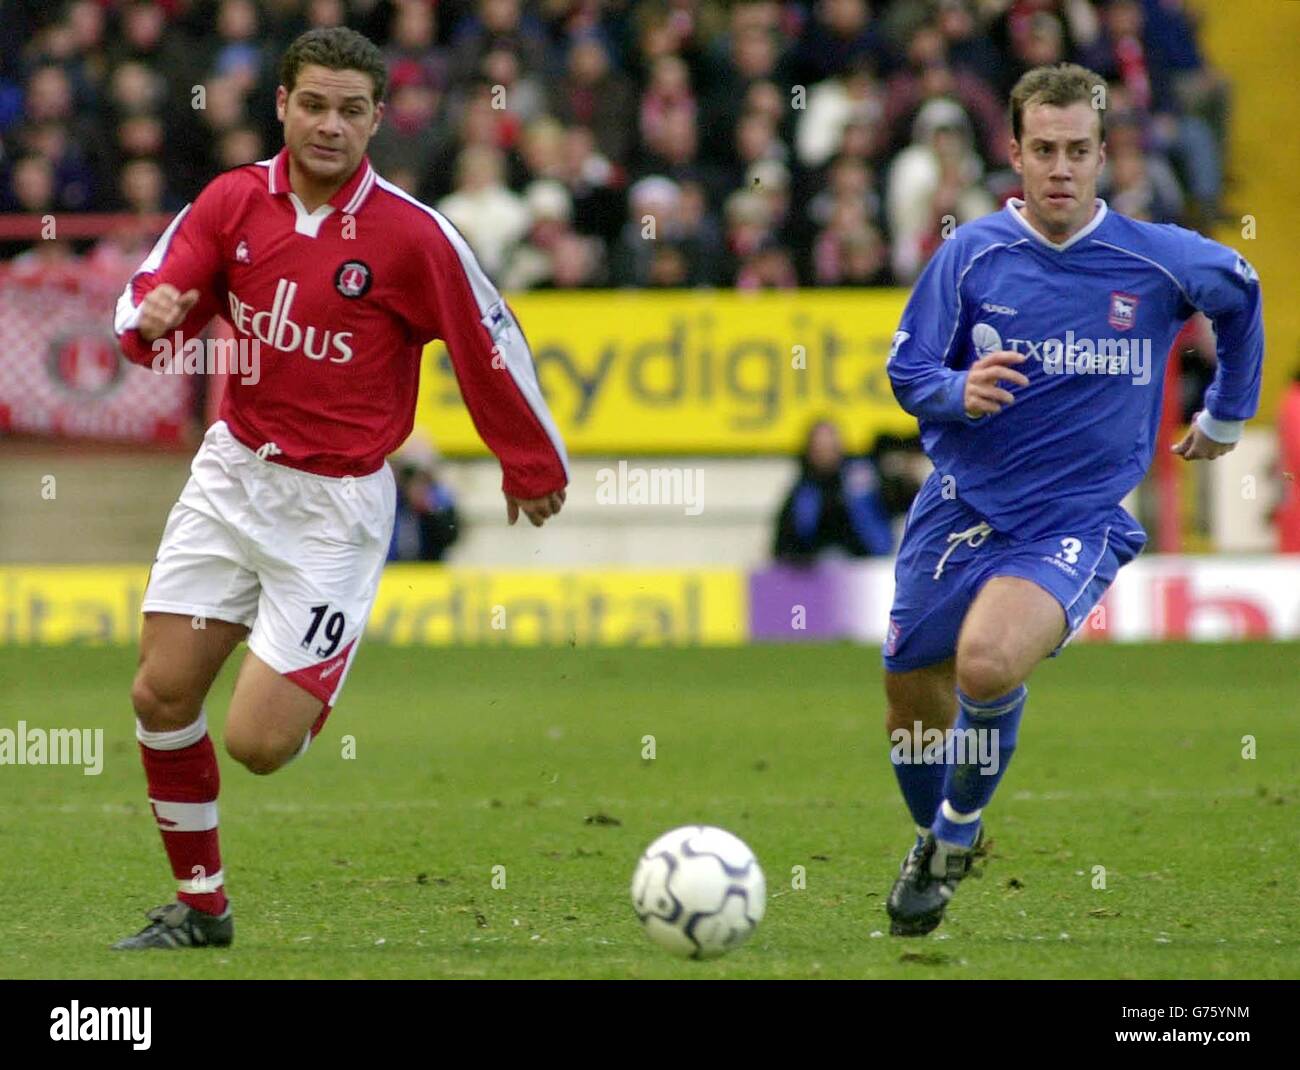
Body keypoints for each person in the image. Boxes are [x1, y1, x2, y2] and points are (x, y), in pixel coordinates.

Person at [110, 27, 568, 950]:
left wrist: (531, 462)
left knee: (260, 746)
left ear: (376, 119)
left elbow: (489, 338)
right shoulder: (233, 200)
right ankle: (202, 910)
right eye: (312, 104)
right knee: (160, 699)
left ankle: (313, 675)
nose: (329, 124)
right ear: (281, 104)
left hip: (335, 510)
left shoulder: (411, 233)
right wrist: (149, 319)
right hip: (232, 476)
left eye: (350, 109)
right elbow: (153, 299)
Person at [881, 62, 1263, 936]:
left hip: (1072, 521)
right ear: (1014, 153)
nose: (1061, 167)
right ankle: (933, 835)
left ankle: (954, 833)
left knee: (984, 663)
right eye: (1044, 149)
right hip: (960, 507)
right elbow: (907, 370)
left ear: (1102, 154)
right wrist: (955, 392)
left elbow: (1242, 297)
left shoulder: (1155, 257)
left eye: (1079, 150)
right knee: (910, 700)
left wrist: (1229, 414)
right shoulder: (972, 254)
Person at [773, 420, 894, 562]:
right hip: (813, 575)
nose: (826, 453)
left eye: (830, 447)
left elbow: (880, 535)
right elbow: (786, 545)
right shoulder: (801, 494)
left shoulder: (863, 488)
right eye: (821, 448)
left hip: (865, 569)